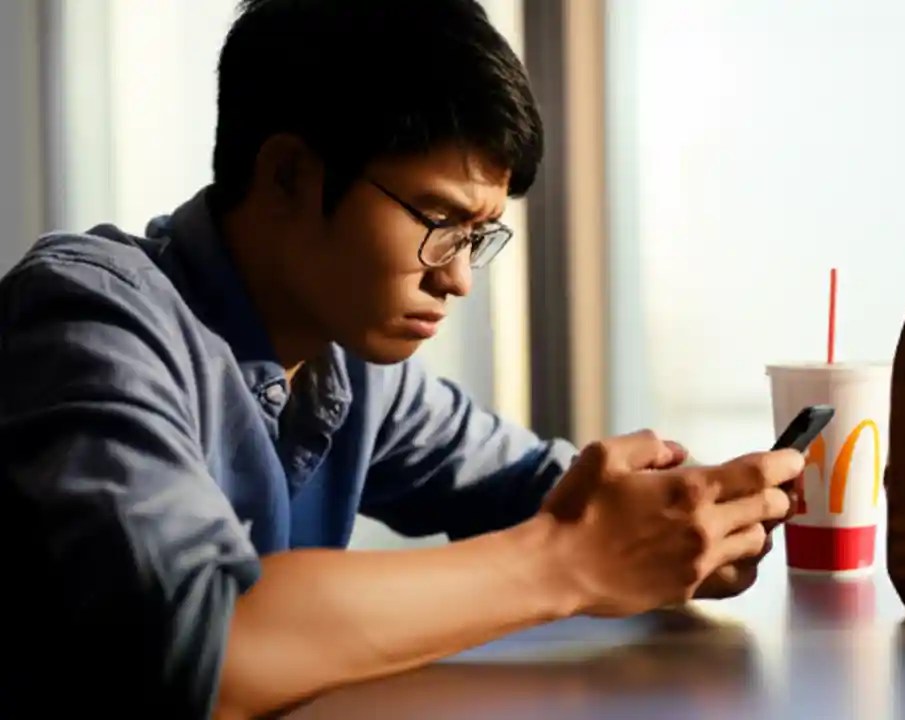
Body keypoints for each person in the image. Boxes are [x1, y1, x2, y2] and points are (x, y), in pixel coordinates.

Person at [0, 1, 802, 717]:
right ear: (287, 175)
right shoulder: (88, 317)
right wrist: (576, 560)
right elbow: (204, 645)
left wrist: (684, 517)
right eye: (437, 219)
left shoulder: (348, 365)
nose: (456, 277)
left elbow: (537, 490)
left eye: (477, 237)